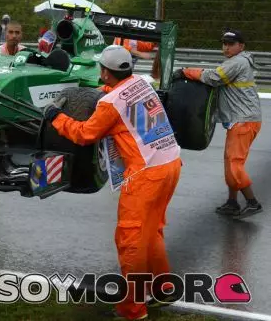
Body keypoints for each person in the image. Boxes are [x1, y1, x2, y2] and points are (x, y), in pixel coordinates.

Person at [44, 45, 182, 320]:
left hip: (146, 174)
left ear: (106, 73)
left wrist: (55, 117)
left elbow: (85, 134)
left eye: (101, 70)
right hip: (171, 164)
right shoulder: (141, 83)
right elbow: (119, 98)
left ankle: (133, 310)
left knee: (130, 240)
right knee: (152, 230)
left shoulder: (110, 103)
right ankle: (163, 288)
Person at [181, 29, 262, 219]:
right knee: (231, 163)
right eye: (224, 43)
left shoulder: (239, 62)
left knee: (234, 165)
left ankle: (253, 203)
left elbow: (213, 78)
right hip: (240, 120)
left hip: (244, 121)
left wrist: (186, 72)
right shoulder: (237, 61)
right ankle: (232, 203)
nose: (225, 47)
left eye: (230, 44)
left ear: (241, 46)